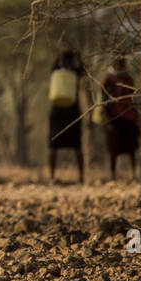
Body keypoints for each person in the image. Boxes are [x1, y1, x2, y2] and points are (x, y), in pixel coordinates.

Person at [47, 49, 86, 184]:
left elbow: (52, 68)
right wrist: (78, 58)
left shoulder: (56, 72)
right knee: (77, 147)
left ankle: (52, 177)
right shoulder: (75, 72)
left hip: (58, 113)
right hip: (71, 113)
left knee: (54, 147)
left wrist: (58, 57)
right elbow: (84, 71)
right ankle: (81, 178)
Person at [99, 57, 140, 181]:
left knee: (131, 147)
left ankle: (133, 175)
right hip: (115, 117)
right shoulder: (109, 79)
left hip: (128, 117)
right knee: (114, 149)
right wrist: (107, 118)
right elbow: (104, 99)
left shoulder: (128, 78)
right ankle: (113, 176)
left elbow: (133, 97)